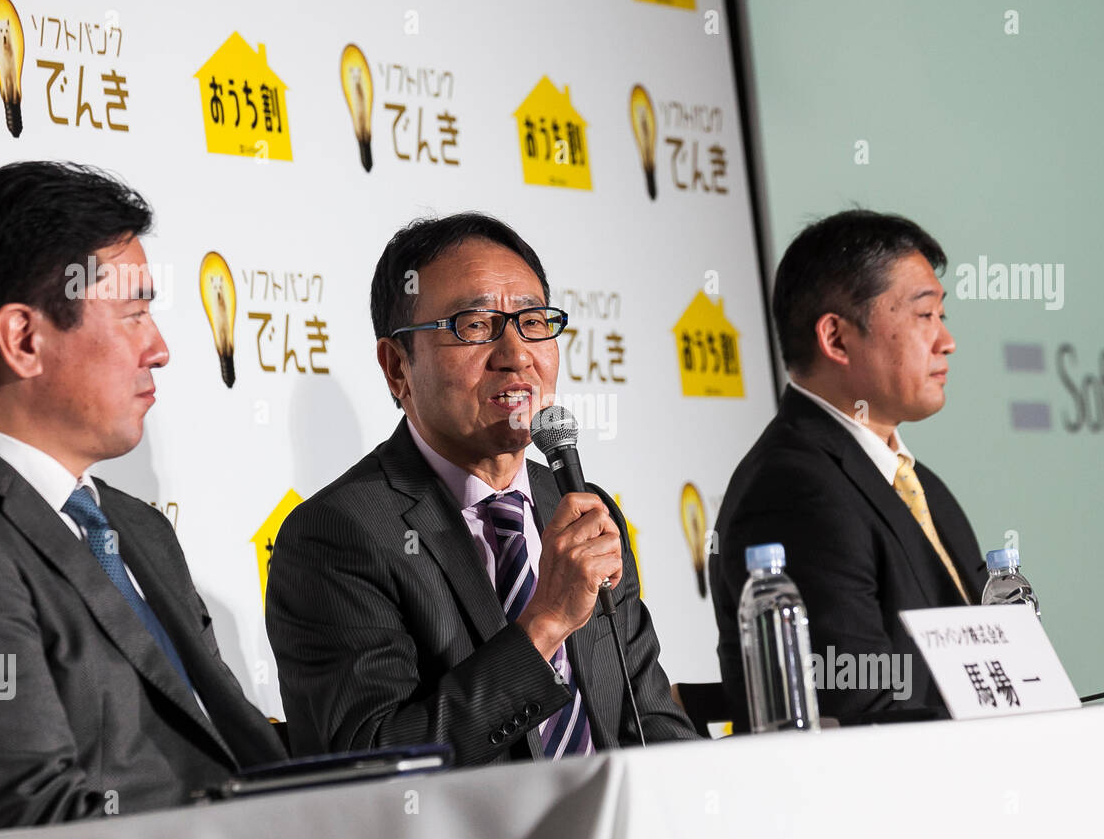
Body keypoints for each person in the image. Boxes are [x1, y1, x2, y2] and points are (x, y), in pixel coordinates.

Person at [0, 161, 286, 839]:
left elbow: (225, 746)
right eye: (134, 313)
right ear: (24, 340)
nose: (162, 348)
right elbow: (31, 831)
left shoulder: (135, 525)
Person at [267, 212, 697, 766]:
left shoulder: (581, 508)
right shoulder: (338, 535)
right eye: (473, 325)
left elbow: (648, 716)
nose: (517, 355)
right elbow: (372, 763)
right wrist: (544, 623)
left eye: (534, 321)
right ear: (397, 366)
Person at [710, 209, 985, 726]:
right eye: (925, 316)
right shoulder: (793, 490)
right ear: (836, 338)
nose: (947, 341)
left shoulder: (922, 487)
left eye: (942, 317)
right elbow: (859, 716)